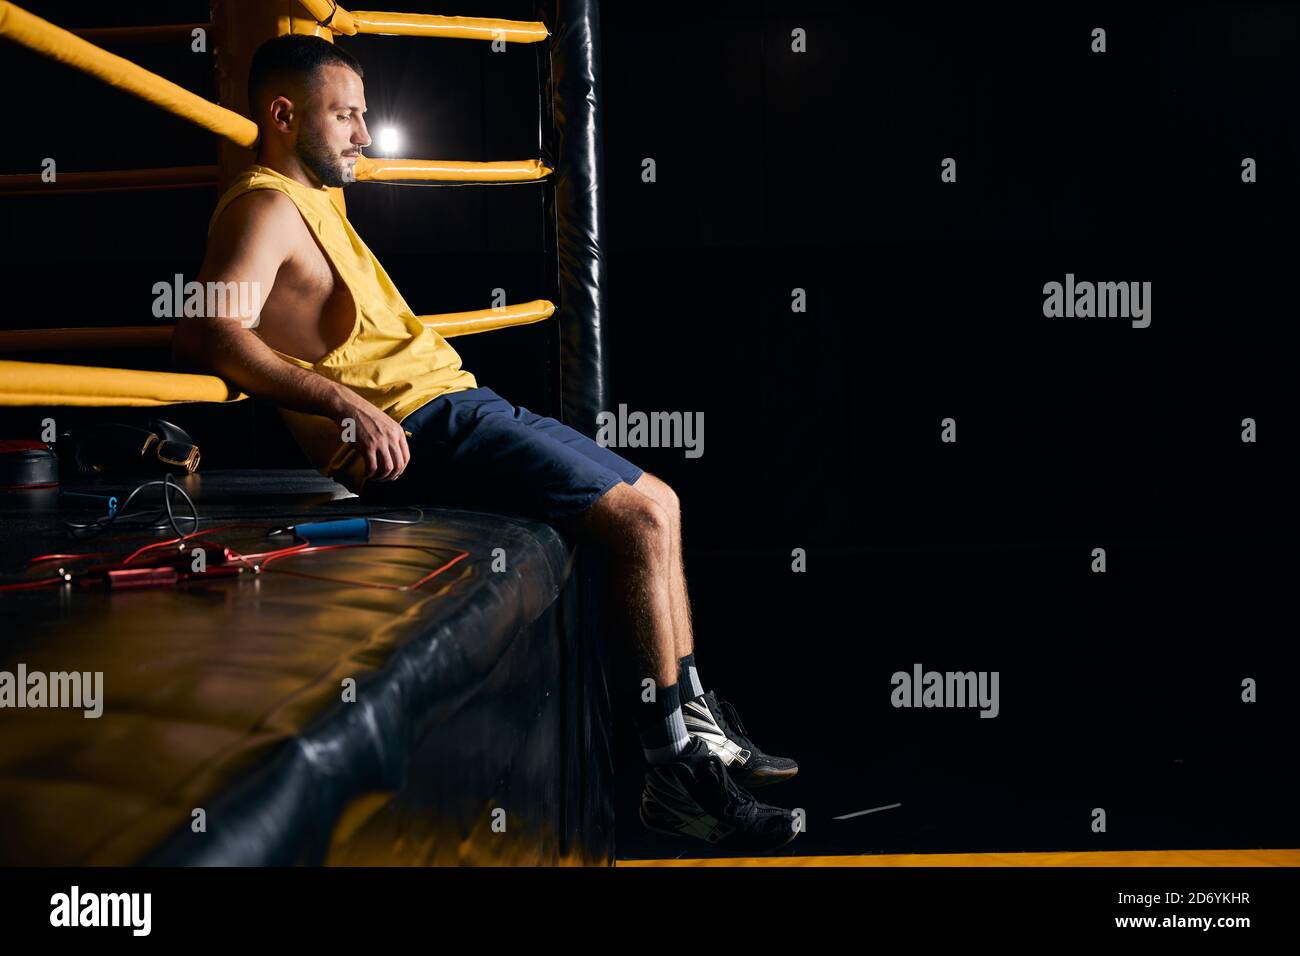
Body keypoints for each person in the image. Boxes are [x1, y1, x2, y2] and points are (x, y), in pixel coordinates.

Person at [172, 34, 799, 852]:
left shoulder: (317, 197)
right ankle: (674, 775)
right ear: (284, 115)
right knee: (639, 527)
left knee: (663, 502)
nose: (364, 134)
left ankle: (700, 727)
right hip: (421, 427)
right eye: (347, 115)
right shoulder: (261, 204)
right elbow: (210, 331)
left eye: (364, 114)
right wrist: (344, 405)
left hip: (460, 404)